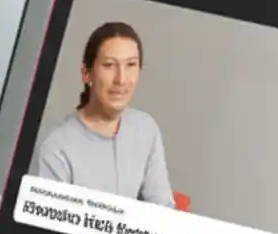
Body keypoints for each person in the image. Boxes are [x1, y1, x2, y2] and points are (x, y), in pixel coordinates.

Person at [32, 21, 175, 207]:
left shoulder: (146, 129)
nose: (121, 79)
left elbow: (162, 210)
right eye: (109, 65)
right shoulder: (56, 148)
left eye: (131, 65)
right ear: (86, 73)